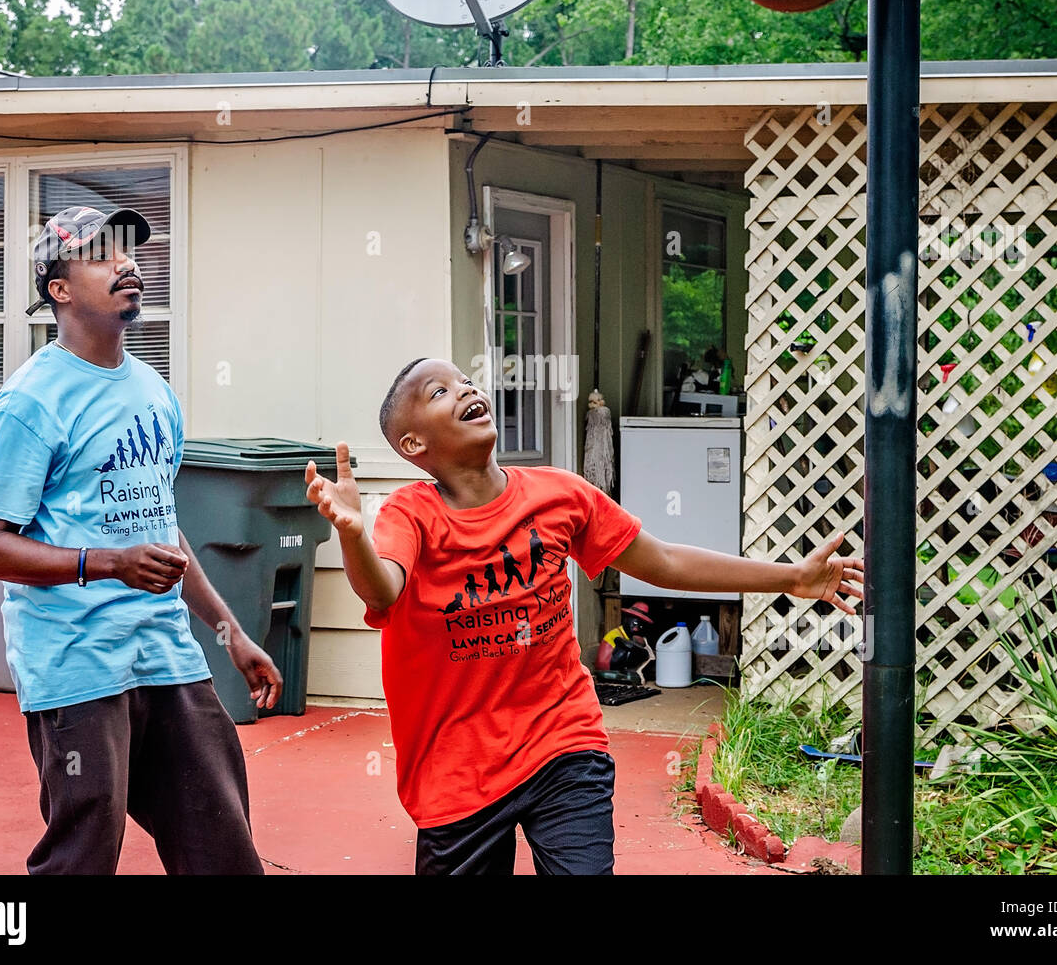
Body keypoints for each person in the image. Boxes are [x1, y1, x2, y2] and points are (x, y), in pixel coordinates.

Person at [303, 356, 863, 875]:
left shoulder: (560, 495)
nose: (466, 388)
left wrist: (791, 577)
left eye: (465, 380)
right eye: (439, 391)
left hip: (562, 742)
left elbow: (663, 561)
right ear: (413, 443)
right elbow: (383, 593)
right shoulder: (410, 514)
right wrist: (352, 535)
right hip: (455, 769)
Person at [0, 205, 282, 876]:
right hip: (77, 665)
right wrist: (108, 562)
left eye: (131, 252)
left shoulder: (154, 393)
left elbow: (163, 531)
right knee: (82, 856)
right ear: (58, 288)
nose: (128, 264)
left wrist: (232, 635)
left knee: (225, 851)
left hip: (167, 657)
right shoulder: (29, 403)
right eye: (103, 255)